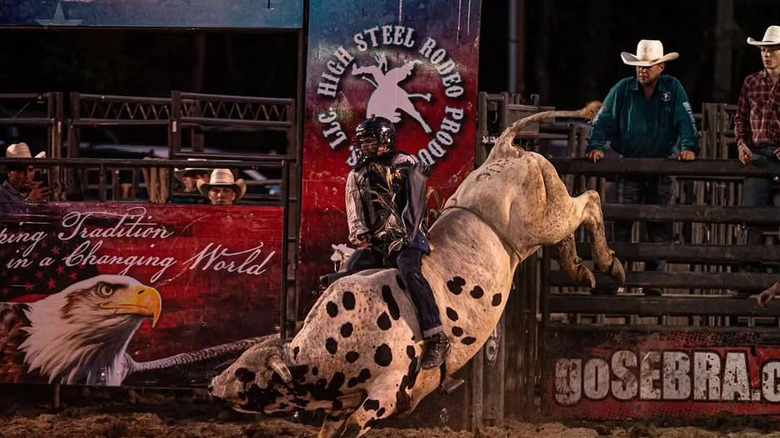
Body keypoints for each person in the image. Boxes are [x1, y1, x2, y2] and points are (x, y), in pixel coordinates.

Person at [319, 116, 450, 369]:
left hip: (407, 239)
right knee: (345, 275)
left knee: (410, 271)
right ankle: (334, 336)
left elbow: (415, 183)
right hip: (377, 244)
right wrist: (360, 235)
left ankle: (436, 336)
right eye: (363, 142)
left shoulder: (403, 162)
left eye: (370, 141)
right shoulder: (356, 175)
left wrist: (405, 177)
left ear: (385, 141)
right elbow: (354, 212)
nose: (365, 146)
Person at [584, 39, 700, 295]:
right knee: (623, 222)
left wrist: (688, 146)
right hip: (631, 166)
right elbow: (603, 118)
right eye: (639, 65)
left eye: (648, 66)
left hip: (660, 165)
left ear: (661, 68)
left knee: (658, 225)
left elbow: (685, 119)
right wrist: (595, 144)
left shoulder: (673, 89)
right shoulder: (623, 89)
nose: (642, 70)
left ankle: (653, 283)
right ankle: (614, 277)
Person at [734, 25, 780, 286]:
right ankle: (748, 281)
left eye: (772, 49)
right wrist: (741, 144)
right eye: (764, 49)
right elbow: (740, 118)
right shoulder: (751, 82)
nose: (767, 54)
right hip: (760, 154)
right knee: (751, 219)